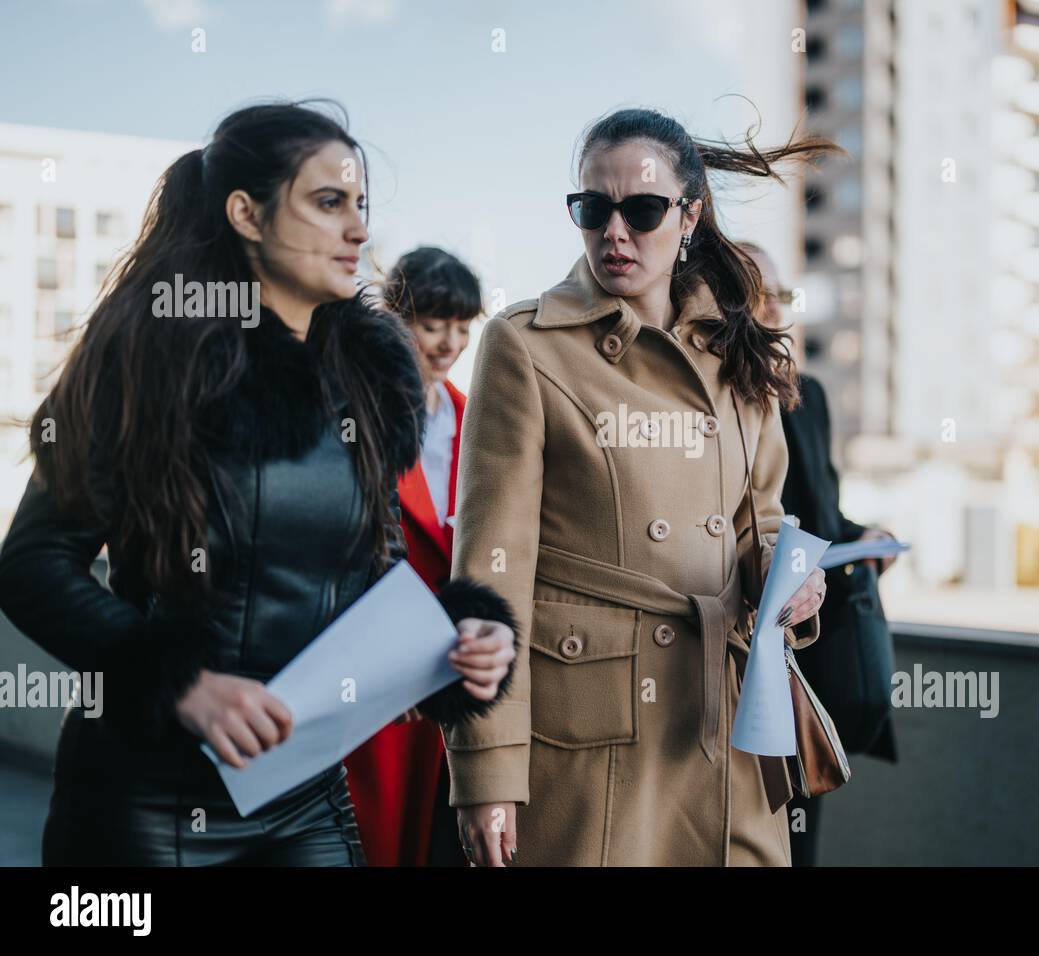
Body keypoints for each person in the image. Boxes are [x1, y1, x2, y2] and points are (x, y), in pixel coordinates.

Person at [0, 102, 516, 866]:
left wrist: (462, 638)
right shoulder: (146, 359)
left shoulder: (371, 382)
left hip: (308, 799)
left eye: (361, 205)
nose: (360, 231)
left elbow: (364, 576)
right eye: (329, 202)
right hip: (150, 806)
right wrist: (180, 683)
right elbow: (32, 564)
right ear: (247, 213)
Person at [442, 107, 843, 866]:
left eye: (643, 209)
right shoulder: (526, 345)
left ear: (688, 215)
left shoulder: (738, 351)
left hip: (722, 725)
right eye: (593, 208)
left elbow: (759, 521)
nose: (614, 232)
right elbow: (488, 571)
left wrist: (793, 579)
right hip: (593, 737)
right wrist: (486, 769)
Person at [740, 241, 900, 867]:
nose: (779, 310)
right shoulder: (741, 397)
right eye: (763, 297)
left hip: (807, 645)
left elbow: (817, 514)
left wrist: (864, 538)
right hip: (753, 646)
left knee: (799, 826)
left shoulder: (808, 395)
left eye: (784, 296)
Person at [344, 246, 480, 867]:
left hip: (455, 651)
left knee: (437, 827)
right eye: (433, 323)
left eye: (462, 325)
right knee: (377, 820)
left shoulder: (474, 414)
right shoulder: (358, 410)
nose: (450, 340)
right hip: (375, 646)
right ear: (397, 319)